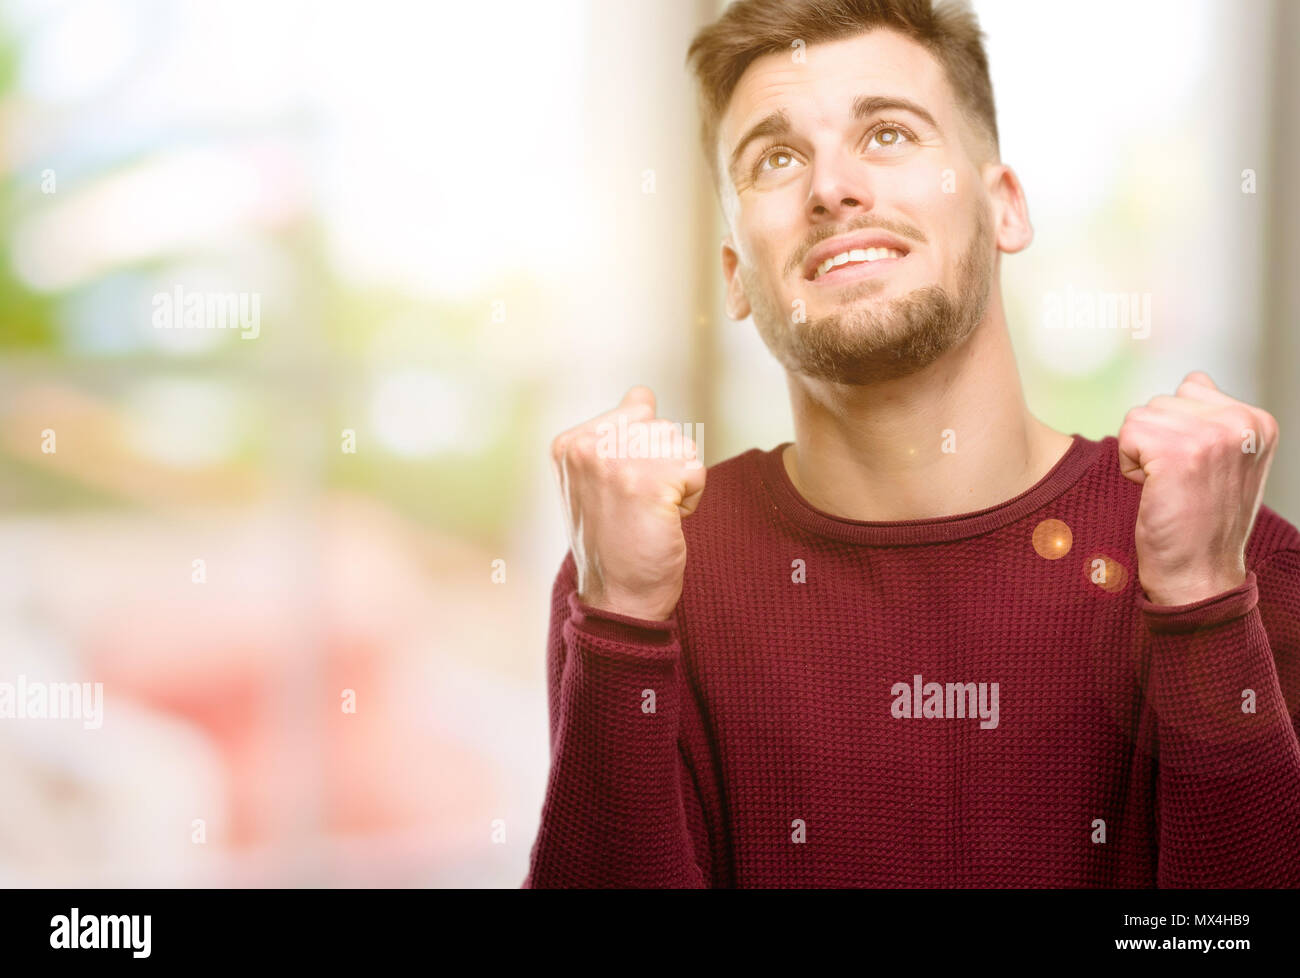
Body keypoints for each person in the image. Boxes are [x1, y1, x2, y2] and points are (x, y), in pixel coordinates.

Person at [524, 0, 1300, 887]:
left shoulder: (1242, 562)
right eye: (777, 158)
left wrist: (1204, 603)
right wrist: (621, 617)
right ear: (737, 276)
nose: (831, 188)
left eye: (888, 134)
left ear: (1004, 207)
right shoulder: (642, 580)